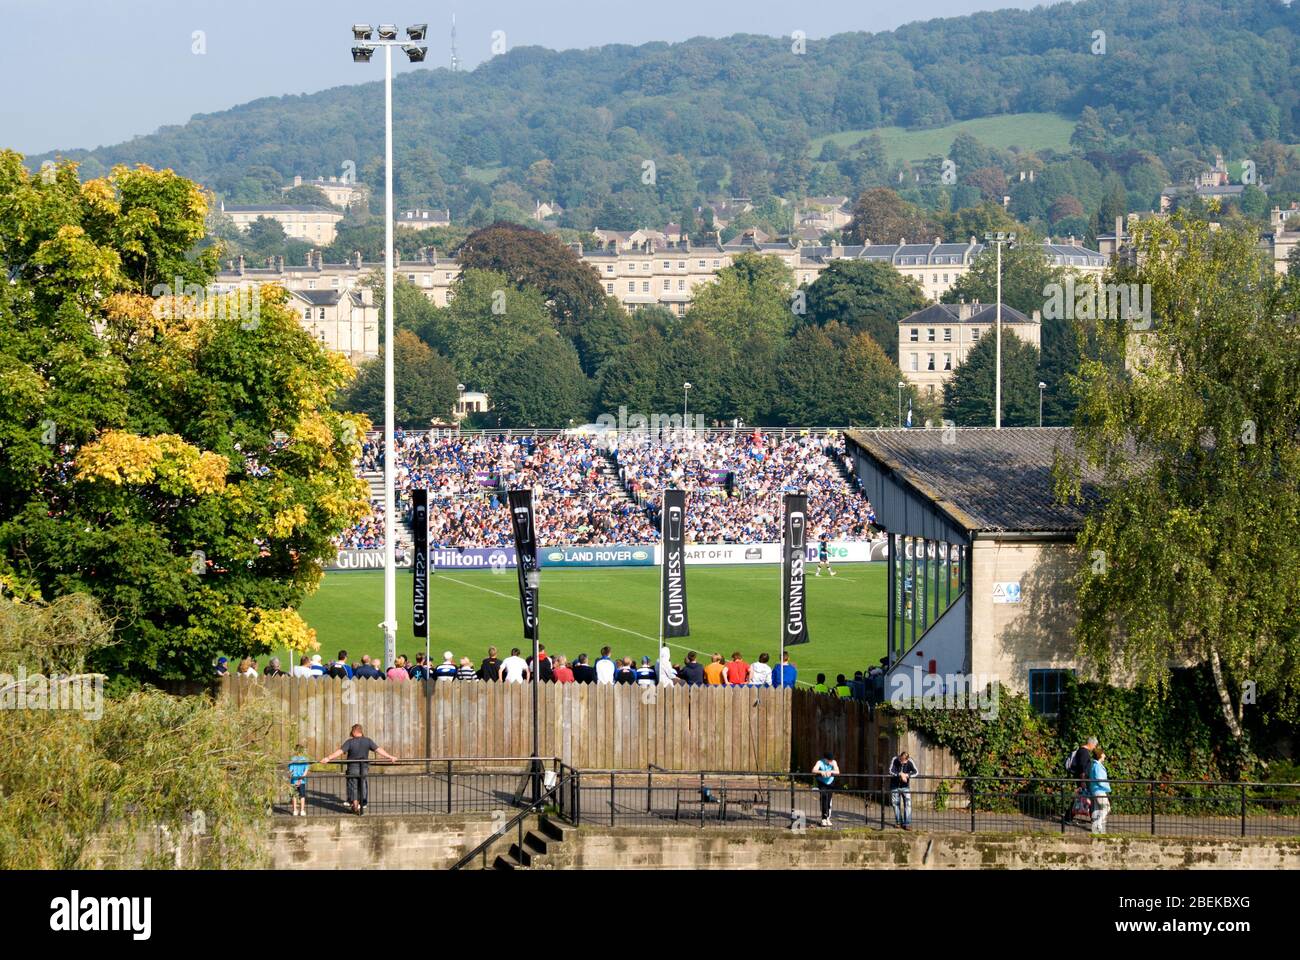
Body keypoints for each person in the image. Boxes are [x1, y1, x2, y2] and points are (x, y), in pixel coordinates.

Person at [319, 724, 397, 816]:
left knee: (353, 785)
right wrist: (390, 757)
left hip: (352, 767)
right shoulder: (368, 741)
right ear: (361, 731)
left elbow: (340, 751)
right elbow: (378, 749)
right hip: (364, 767)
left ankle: (355, 804)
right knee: (362, 784)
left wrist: (328, 758)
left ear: (353, 732)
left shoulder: (350, 742)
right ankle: (362, 803)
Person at [1062, 737, 1098, 824]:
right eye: (1095, 745)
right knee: (1087, 798)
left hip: (1082, 779)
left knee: (1082, 798)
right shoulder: (1084, 752)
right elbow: (1082, 768)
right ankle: (1068, 817)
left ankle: (1068, 817)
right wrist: (1083, 782)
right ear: (1091, 744)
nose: (1094, 748)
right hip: (1083, 779)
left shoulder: (1081, 751)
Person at [889, 750, 918, 830]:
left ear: (907, 760)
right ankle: (899, 822)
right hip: (894, 786)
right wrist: (900, 774)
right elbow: (890, 771)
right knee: (895, 804)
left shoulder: (910, 761)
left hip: (905, 786)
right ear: (900, 757)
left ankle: (907, 824)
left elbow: (916, 772)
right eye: (901, 760)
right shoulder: (895, 759)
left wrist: (907, 775)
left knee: (908, 804)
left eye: (904, 762)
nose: (902, 763)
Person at [1089, 748, 1112, 834]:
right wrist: (1107, 786)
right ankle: (1098, 824)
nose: (1105, 756)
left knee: (1097, 809)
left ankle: (1096, 830)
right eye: (1103, 754)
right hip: (1099, 790)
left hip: (1095, 790)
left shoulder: (1094, 765)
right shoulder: (1097, 766)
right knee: (1106, 807)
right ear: (1100, 755)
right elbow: (1100, 780)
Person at [813, 752, 839, 826]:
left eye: (831, 760)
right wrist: (821, 772)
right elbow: (814, 770)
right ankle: (823, 818)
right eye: (829, 760)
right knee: (824, 797)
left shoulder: (833, 762)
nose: (831, 761)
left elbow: (837, 771)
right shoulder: (820, 762)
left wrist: (831, 771)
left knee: (829, 799)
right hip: (822, 782)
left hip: (830, 782)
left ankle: (828, 818)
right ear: (825, 759)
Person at [287, 744, 310, 817]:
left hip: (294, 780)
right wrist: (300, 779)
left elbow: (290, 772)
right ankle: (302, 810)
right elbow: (305, 771)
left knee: (294, 795)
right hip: (302, 781)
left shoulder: (292, 759)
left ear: (295, 751)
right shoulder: (305, 760)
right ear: (302, 751)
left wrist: (293, 778)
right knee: (302, 796)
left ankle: (294, 811)